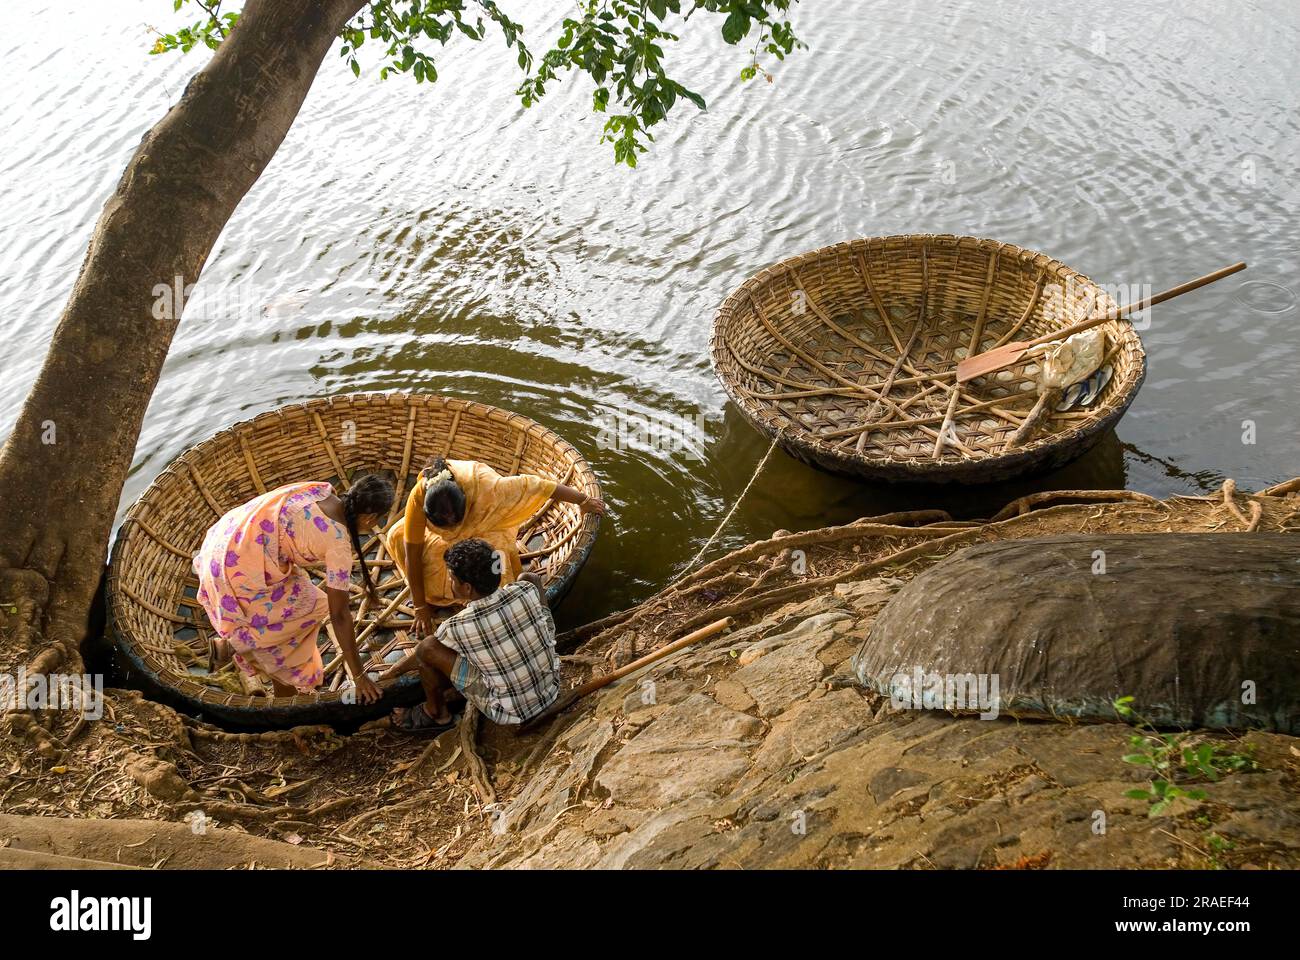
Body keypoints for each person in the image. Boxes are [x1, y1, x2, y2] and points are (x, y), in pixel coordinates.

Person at [193, 475, 394, 702]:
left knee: (301, 589)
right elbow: (339, 615)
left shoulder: (322, 490)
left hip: (222, 541)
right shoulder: (337, 543)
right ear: (369, 518)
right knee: (316, 605)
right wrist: (359, 676)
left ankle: (265, 666)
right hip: (237, 569)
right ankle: (236, 644)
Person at [383, 458, 605, 636]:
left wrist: (582, 501)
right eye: (445, 524)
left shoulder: (488, 489)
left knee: (494, 554)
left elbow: (538, 485)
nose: (454, 527)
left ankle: (488, 594)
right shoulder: (419, 497)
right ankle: (437, 596)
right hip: (441, 538)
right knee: (396, 535)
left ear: (466, 501)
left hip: (489, 526)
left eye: (457, 521)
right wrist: (420, 606)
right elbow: (412, 553)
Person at [393, 537, 561, 734]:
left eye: (452, 579)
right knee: (530, 577)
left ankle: (436, 712)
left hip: (510, 712)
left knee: (428, 647)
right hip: (551, 688)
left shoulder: (455, 627)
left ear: (467, 588)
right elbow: (529, 583)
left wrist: (396, 670)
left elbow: (424, 652)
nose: (449, 581)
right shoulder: (525, 589)